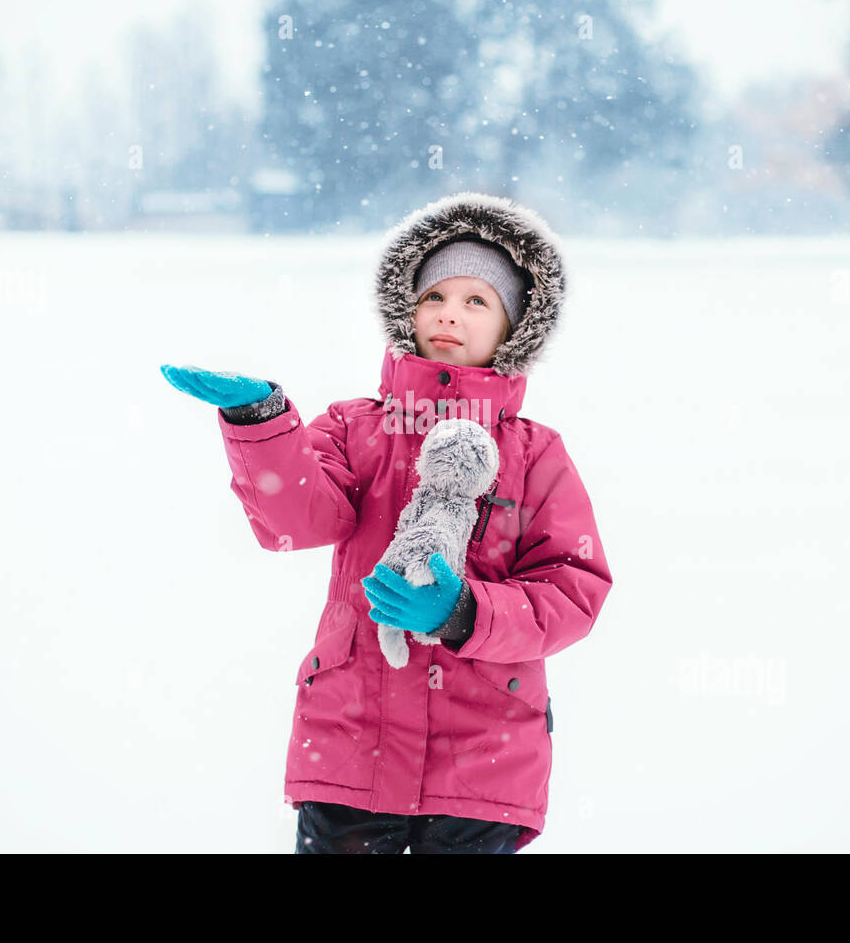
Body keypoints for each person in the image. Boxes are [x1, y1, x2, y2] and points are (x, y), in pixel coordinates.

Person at [161, 191, 613, 852]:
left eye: (476, 301)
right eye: (433, 297)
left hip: (482, 761)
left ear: (514, 329)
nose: (448, 313)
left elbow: (573, 590)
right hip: (350, 746)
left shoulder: (534, 454)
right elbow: (295, 520)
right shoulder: (354, 427)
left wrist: (464, 613)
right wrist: (261, 423)